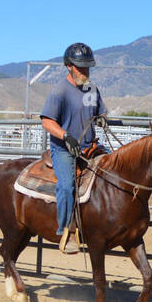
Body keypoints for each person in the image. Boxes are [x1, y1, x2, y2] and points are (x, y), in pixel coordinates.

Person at [40, 42, 110, 254]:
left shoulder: (91, 88)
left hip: (90, 147)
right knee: (67, 185)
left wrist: (103, 119)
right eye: (81, 67)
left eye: (87, 67)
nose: (85, 71)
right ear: (69, 66)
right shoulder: (59, 91)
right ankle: (66, 230)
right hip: (64, 149)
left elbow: (100, 111)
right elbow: (46, 121)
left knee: (115, 170)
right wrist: (65, 136)